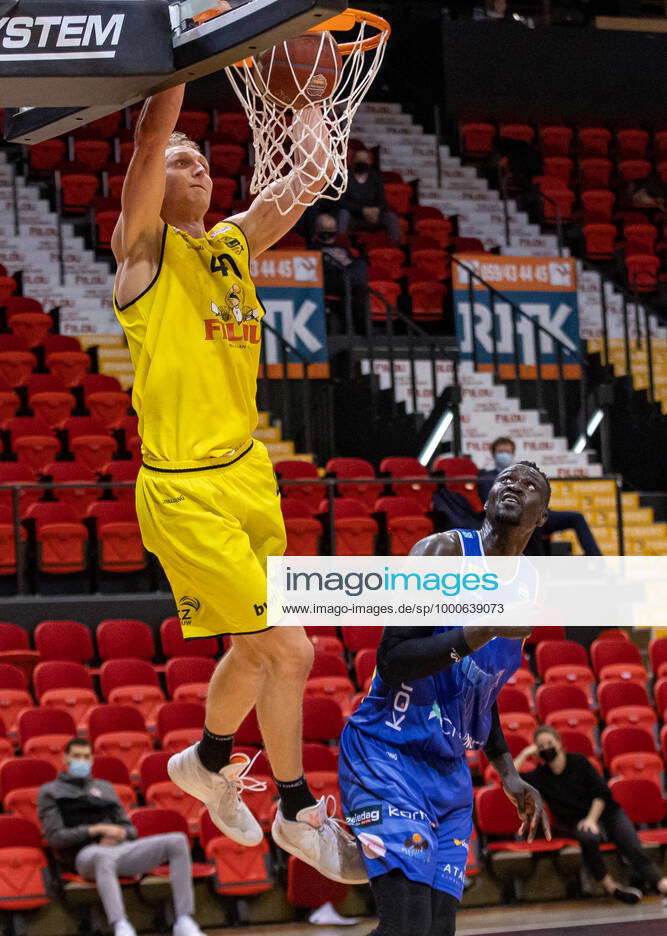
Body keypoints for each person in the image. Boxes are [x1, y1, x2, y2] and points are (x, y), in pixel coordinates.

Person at [111, 84, 363, 884]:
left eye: (204, 160)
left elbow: (312, 173)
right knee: (293, 648)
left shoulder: (230, 244)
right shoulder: (142, 256)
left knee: (256, 655)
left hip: (246, 474)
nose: (196, 168)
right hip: (183, 489)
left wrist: (317, 96)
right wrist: (179, 64)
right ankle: (295, 810)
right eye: (183, 161)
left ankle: (209, 759)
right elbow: (150, 138)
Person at [339, 460, 553, 936]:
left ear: (542, 518)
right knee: (408, 927)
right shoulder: (441, 554)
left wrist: (508, 772)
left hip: (448, 776)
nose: (514, 485)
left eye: (530, 483)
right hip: (387, 754)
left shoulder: (528, 585)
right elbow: (394, 660)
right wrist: (480, 629)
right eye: (505, 479)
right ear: (485, 499)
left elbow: (481, 687)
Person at [37, 738, 204, 936]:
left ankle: (184, 920)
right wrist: (96, 830)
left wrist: (119, 833)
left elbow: (131, 830)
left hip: (120, 848)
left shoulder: (105, 788)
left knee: (177, 841)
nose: (81, 761)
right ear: (66, 758)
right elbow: (56, 837)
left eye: (85, 756)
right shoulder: (50, 792)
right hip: (84, 855)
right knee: (103, 856)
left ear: (91, 760)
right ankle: (121, 925)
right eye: (76, 756)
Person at [515, 726, 667, 904]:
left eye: (550, 743)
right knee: (588, 838)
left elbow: (601, 792)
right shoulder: (540, 775)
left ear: (559, 743)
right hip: (578, 821)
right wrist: (526, 753)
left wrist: (592, 819)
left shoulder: (579, 762)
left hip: (607, 812)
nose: (546, 747)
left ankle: (661, 884)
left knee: (630, 844)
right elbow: (509, 778)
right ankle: (612, 887)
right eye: (541, 746)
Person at [478, 437, 601, 556]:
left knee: (575, 517)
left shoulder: (525, 474)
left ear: (513, 454)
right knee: (527, 524)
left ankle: (596, 559)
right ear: (493, 454)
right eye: (501, 452)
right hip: (507, 515)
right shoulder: (486, 476)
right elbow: (488, 500)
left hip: (532, 512)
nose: (504, 455)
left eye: (507, 452)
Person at [337, 149, 401, 242]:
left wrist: (377, 210)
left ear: (370, 162)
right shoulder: (345, 177)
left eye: (365, 161)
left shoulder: (375, 177)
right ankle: (342, 243)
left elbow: (383, 201)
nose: (362, 163)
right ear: (353, 161)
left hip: (374, 216)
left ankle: (395, 247)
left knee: (391, 217)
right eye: (359, 160)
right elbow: (342, 202)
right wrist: (362, 210)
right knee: (343, 214)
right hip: (354, 216)